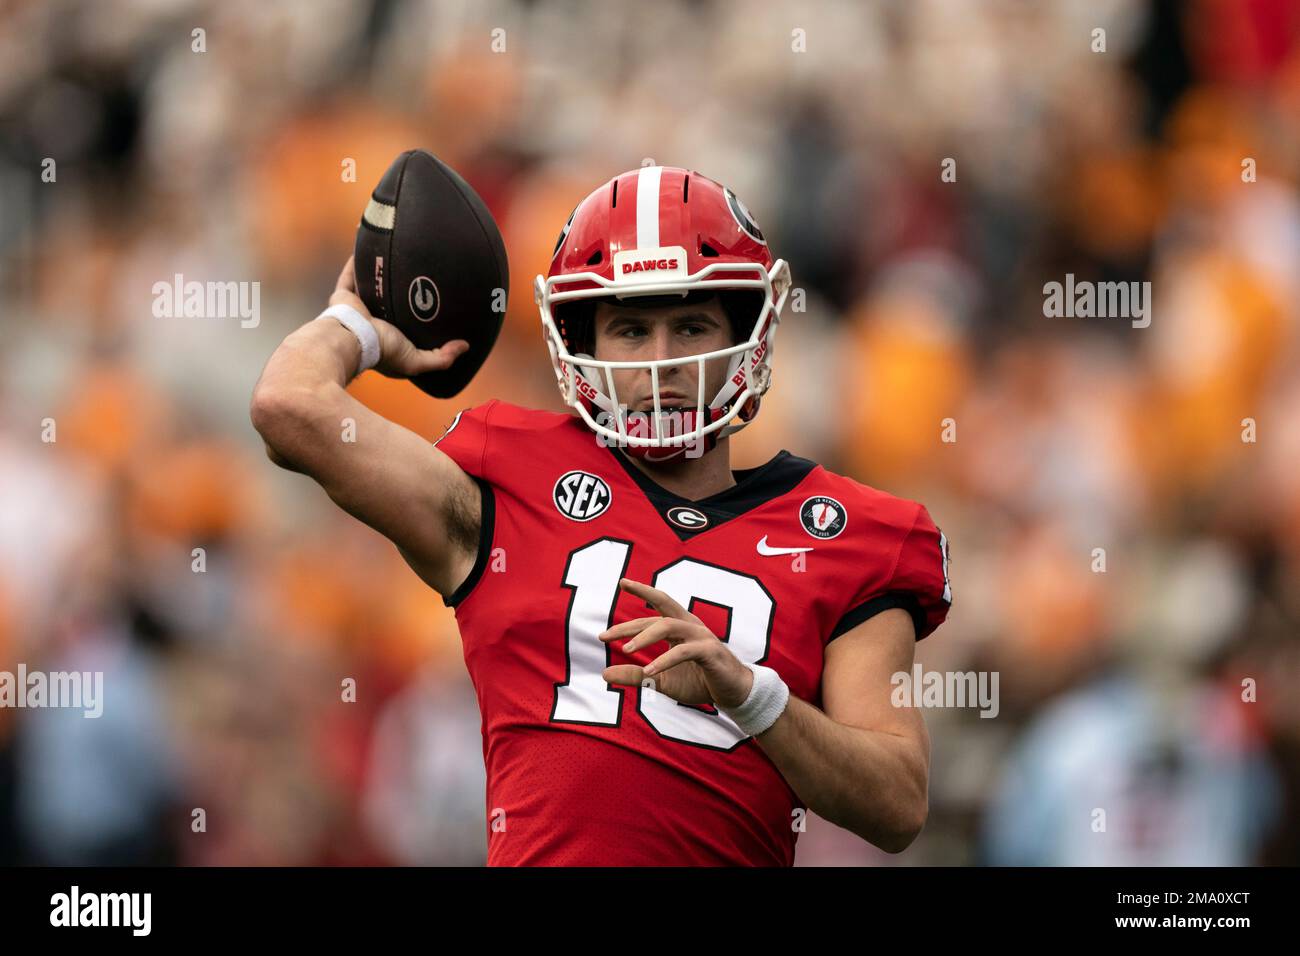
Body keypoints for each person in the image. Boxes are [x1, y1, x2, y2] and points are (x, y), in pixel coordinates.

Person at [250, 165, 952, 865]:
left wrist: (748, 694)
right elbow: (291, 408)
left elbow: (896, 805)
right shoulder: (506, 484)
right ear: (580, 344)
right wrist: (357, 327)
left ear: (751, 332)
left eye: (691, 325)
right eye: (628, 330)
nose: (660, 363)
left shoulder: (842, 532)